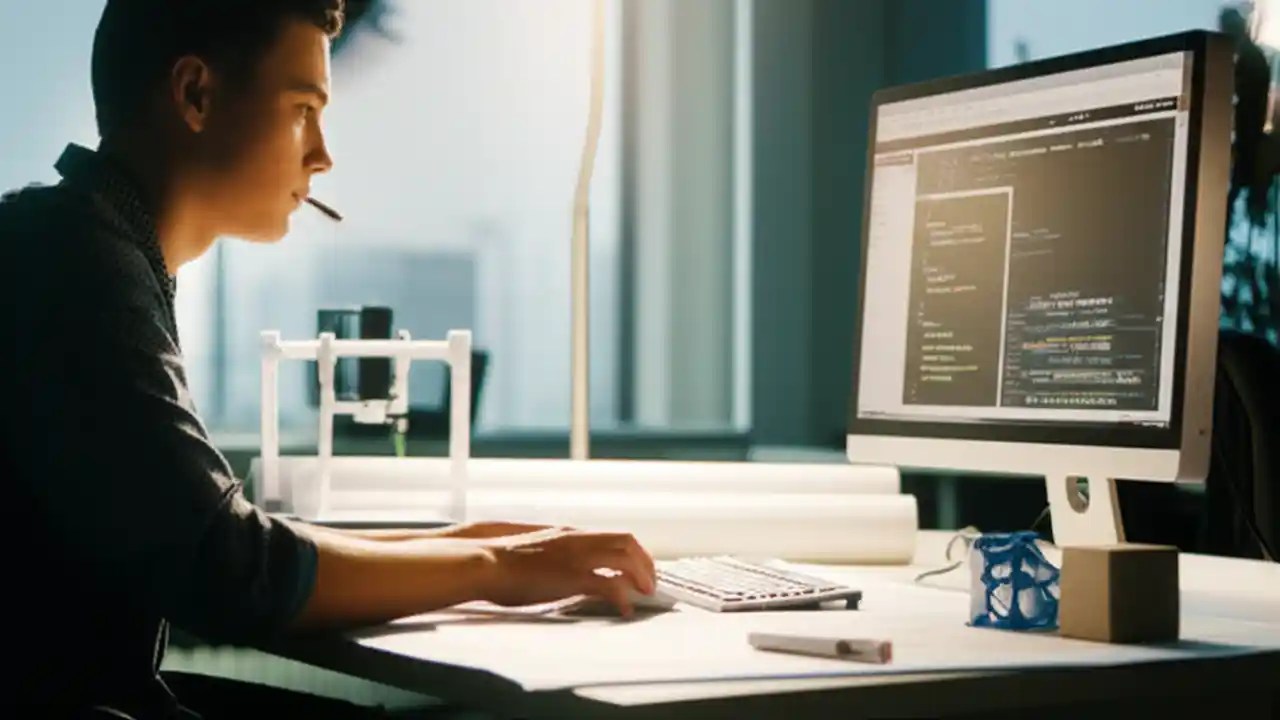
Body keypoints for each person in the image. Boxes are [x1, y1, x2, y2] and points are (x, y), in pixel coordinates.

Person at [0, 1, 656, 717]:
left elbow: (213, 535)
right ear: (196, 94)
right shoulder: (77, 267)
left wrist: (457, 544)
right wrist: (491, 567)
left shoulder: (84, 245)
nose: (322, 153)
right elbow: (228, 569)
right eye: (303, 108)